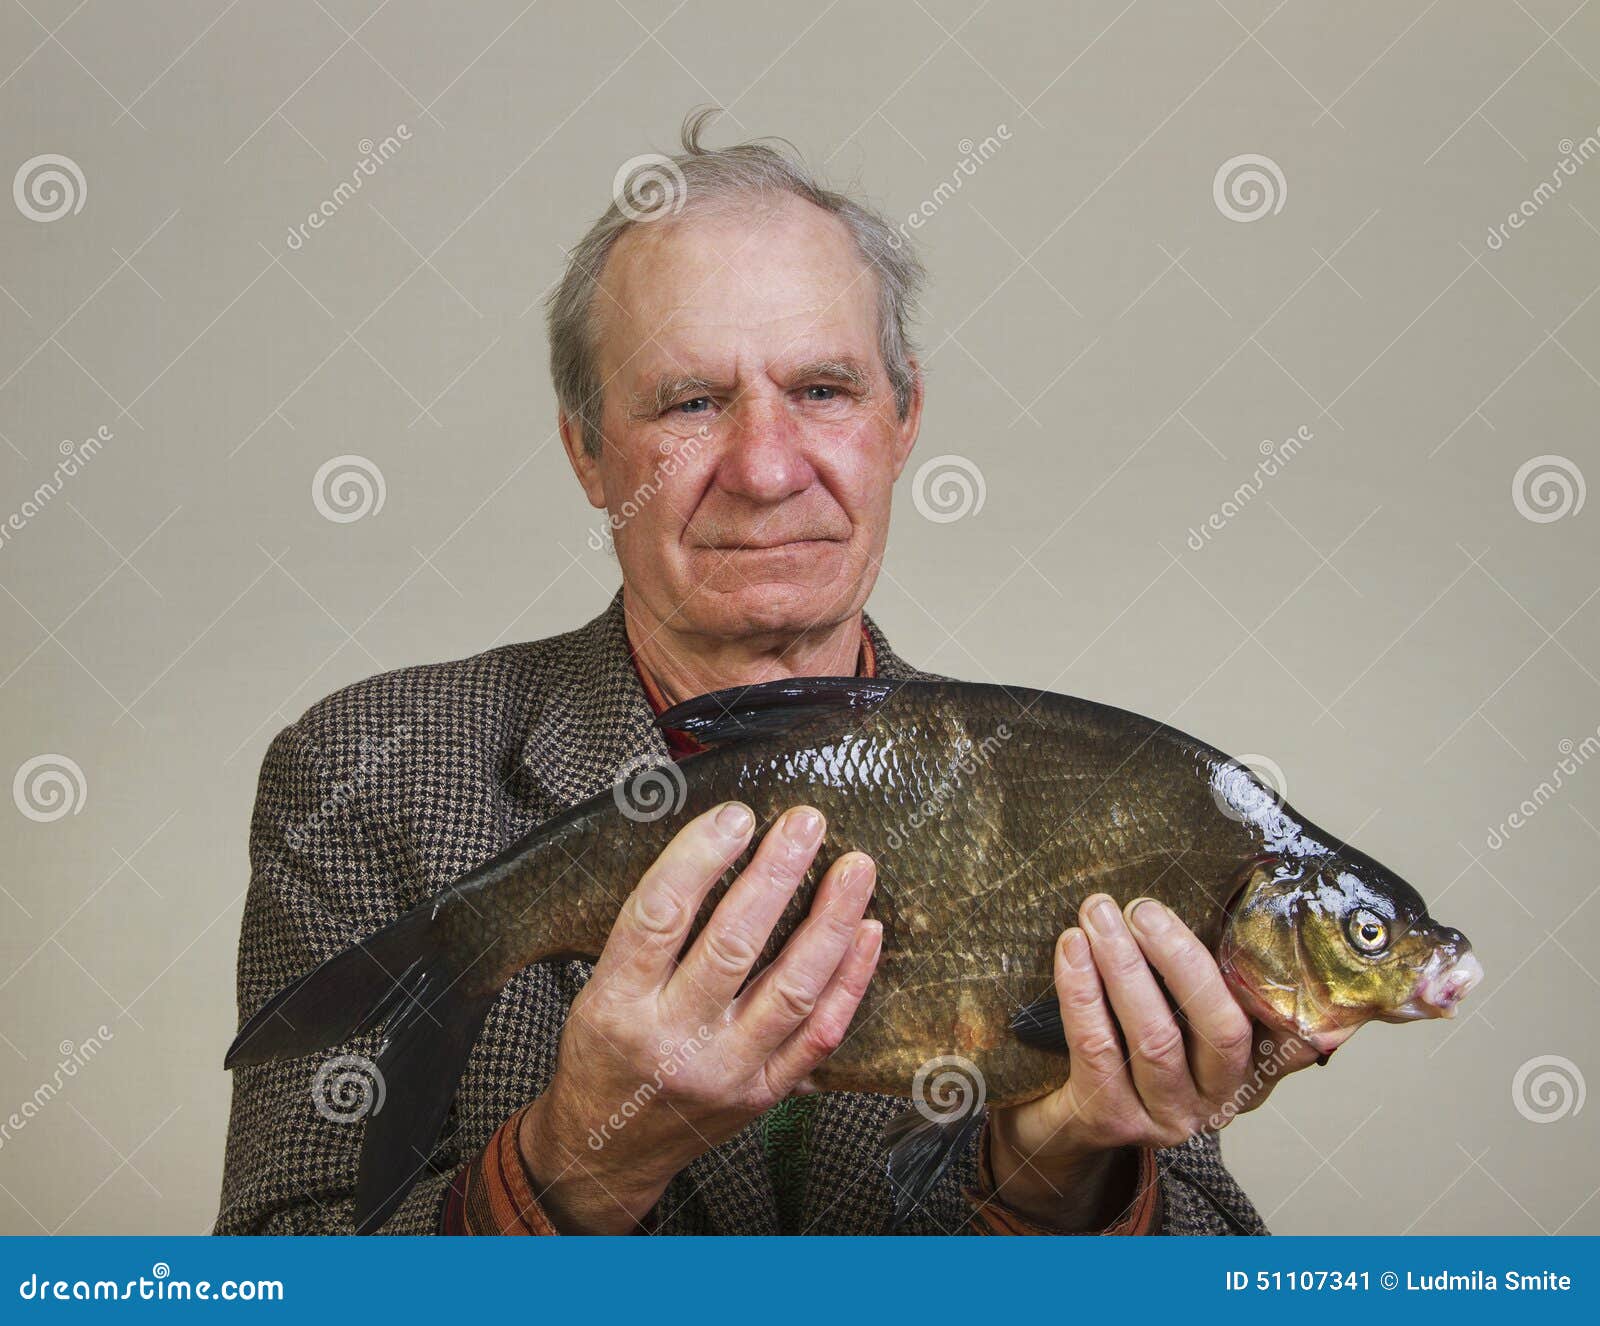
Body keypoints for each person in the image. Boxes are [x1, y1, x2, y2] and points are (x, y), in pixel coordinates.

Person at [216, 111, 1319, 1237]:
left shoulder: (1070, 797)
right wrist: (574, 1162)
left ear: (903, 421)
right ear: (588, 452)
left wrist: (1058, 1173)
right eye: (691, 402)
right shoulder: (372, 771)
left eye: (824, 391)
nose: (765, 465)